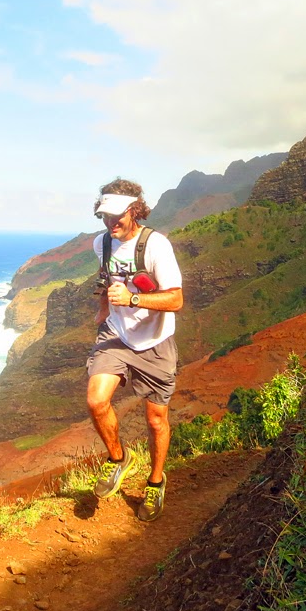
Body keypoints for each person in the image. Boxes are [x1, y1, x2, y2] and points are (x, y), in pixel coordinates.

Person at [86, 178, 183, 522]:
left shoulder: (156, 246)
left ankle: (155, 482)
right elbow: (107, 276)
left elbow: (176, 298)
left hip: (155, 342)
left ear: (134, 210)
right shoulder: (103, 244)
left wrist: (133, 298)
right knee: (96, 401)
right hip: (117, 334)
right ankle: (118, 458)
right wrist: (103, 306)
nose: (110, 223)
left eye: (116, 215)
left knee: (156, 421)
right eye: (104, 216)